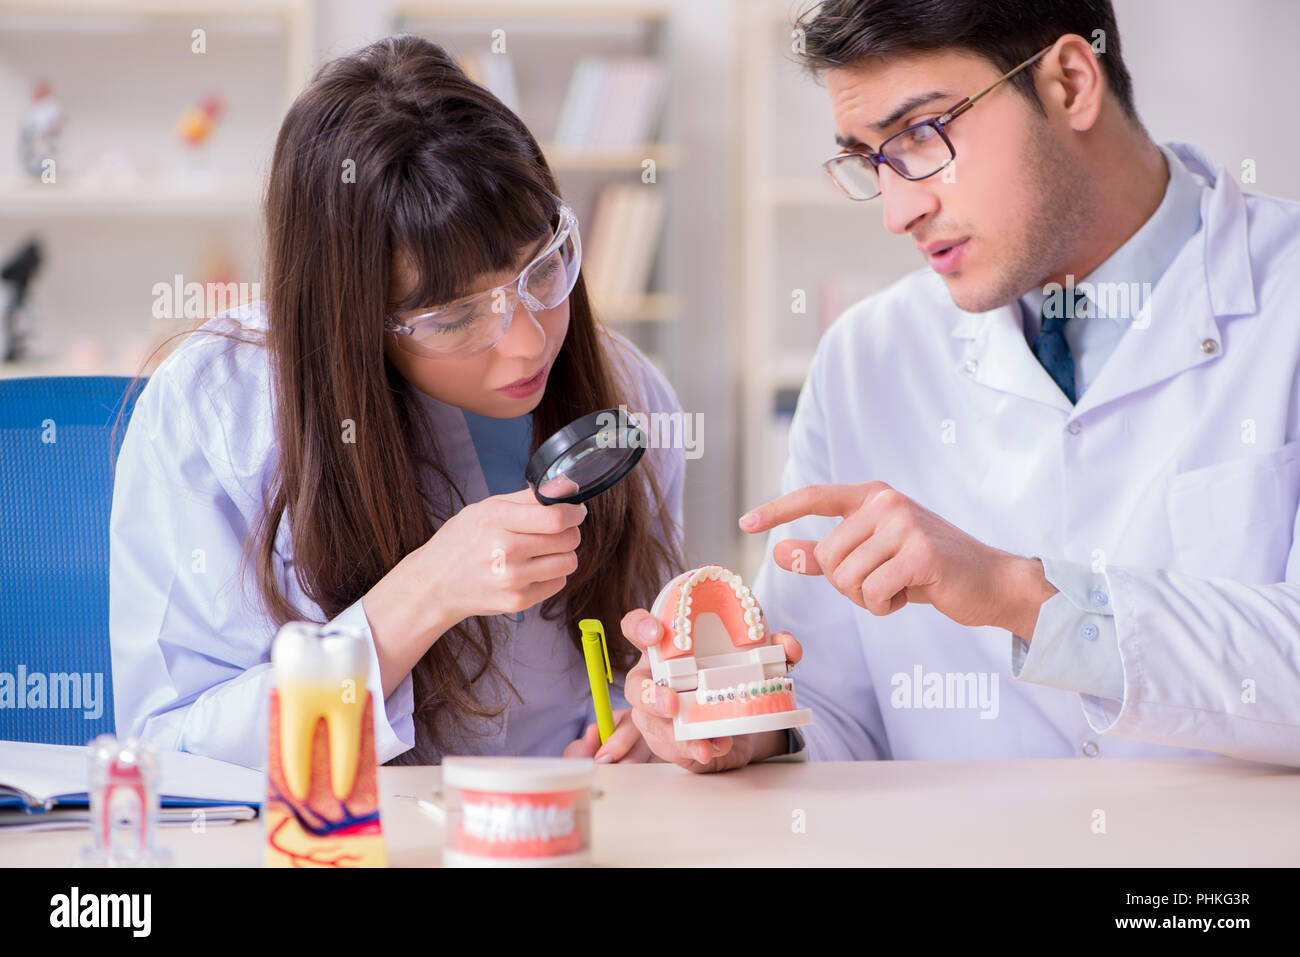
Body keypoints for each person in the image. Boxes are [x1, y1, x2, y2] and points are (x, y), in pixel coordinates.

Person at [621, 0, 1300, 770]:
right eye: (871, 158)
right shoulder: (866, 359)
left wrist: (1020, 595)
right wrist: (746, 727)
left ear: (1071, 83)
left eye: (922, 136)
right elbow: (833, 712)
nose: (900, 210)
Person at [109, 35, 683, 768]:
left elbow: (641, 670)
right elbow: (168, 754)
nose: (530, 342)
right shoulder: (213, 410)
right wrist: (421, 595)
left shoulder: (631, 395)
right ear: (348, 320)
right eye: (454, 317)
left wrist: (651, 731)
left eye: (542, 268)